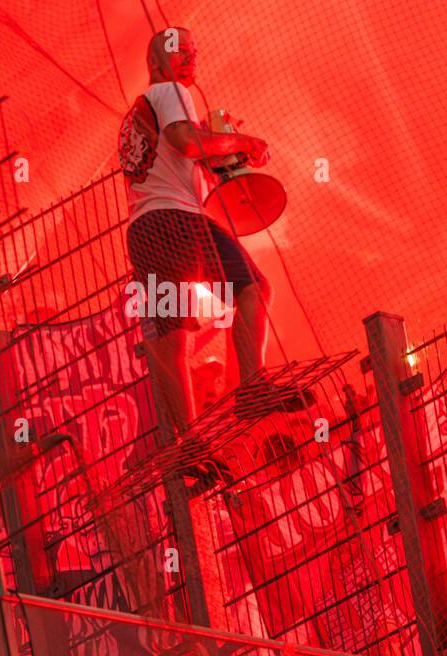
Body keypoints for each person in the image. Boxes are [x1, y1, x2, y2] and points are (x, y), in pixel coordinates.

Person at [118, 26, 309, 449]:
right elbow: (186, 143)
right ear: (155, 62)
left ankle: (189, 444)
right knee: (252, 289)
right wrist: (240, 140)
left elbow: (185, 155)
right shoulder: (169, 92)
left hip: (147, 231)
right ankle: (251, 387)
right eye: (179, 50)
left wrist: (219, 146)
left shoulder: (141, 110)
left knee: (172, 338)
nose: (190, 57)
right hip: (177, 220)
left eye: (193, 51)